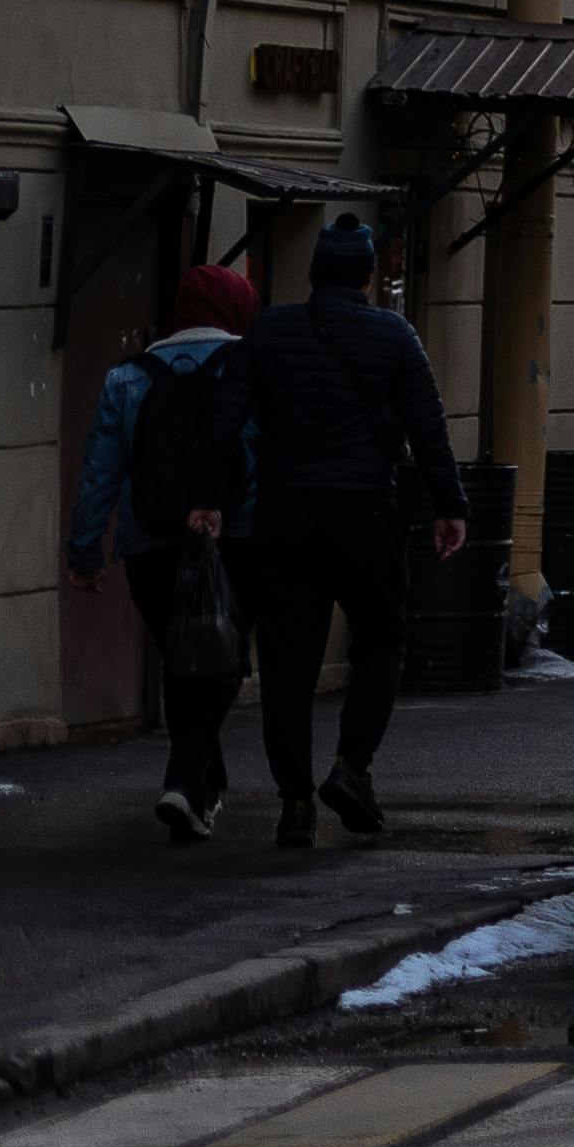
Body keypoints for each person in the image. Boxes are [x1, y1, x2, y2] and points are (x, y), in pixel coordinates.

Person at [237, 218, 463, 848]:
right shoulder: (395, 336)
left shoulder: (272, 330)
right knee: (382, 638)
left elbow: (230, 413)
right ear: (367, 276)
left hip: (286, 514)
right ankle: (351, 766)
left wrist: (207, 497)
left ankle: (295, 803)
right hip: (366, 511)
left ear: (314, 274)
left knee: (287, 662)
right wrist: (450, 506)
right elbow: (429, 427)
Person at [67, 265, 260, 842]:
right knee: (224, 662)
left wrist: (85, 550)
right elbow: (265, 456)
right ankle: (183, 781)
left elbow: (99, 472)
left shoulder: (127, 377)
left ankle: (202, 786)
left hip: (150, 545)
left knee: (182, 662)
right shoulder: (251, 368)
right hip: (234, 538)